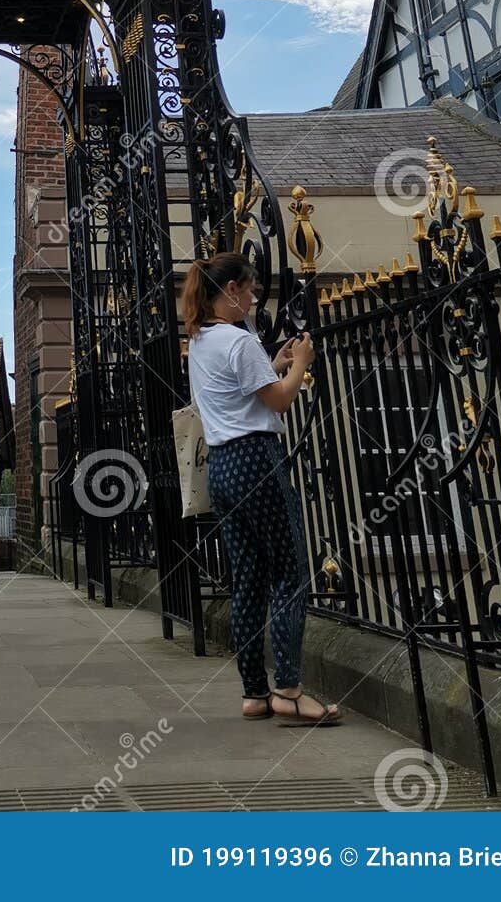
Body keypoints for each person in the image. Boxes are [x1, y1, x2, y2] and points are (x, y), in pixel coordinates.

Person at [181, 250, 344, 729]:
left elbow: (238, 391)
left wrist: (274, 361)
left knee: (250, 578)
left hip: (224, 467)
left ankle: (254, 692)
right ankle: (290, 692)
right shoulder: (237, 338)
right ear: (230, 290)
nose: (253, 297)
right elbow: (279, 400)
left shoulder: (201, 340)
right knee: (292, 572)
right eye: (249, 289)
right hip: (257, 460)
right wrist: (301, 364)